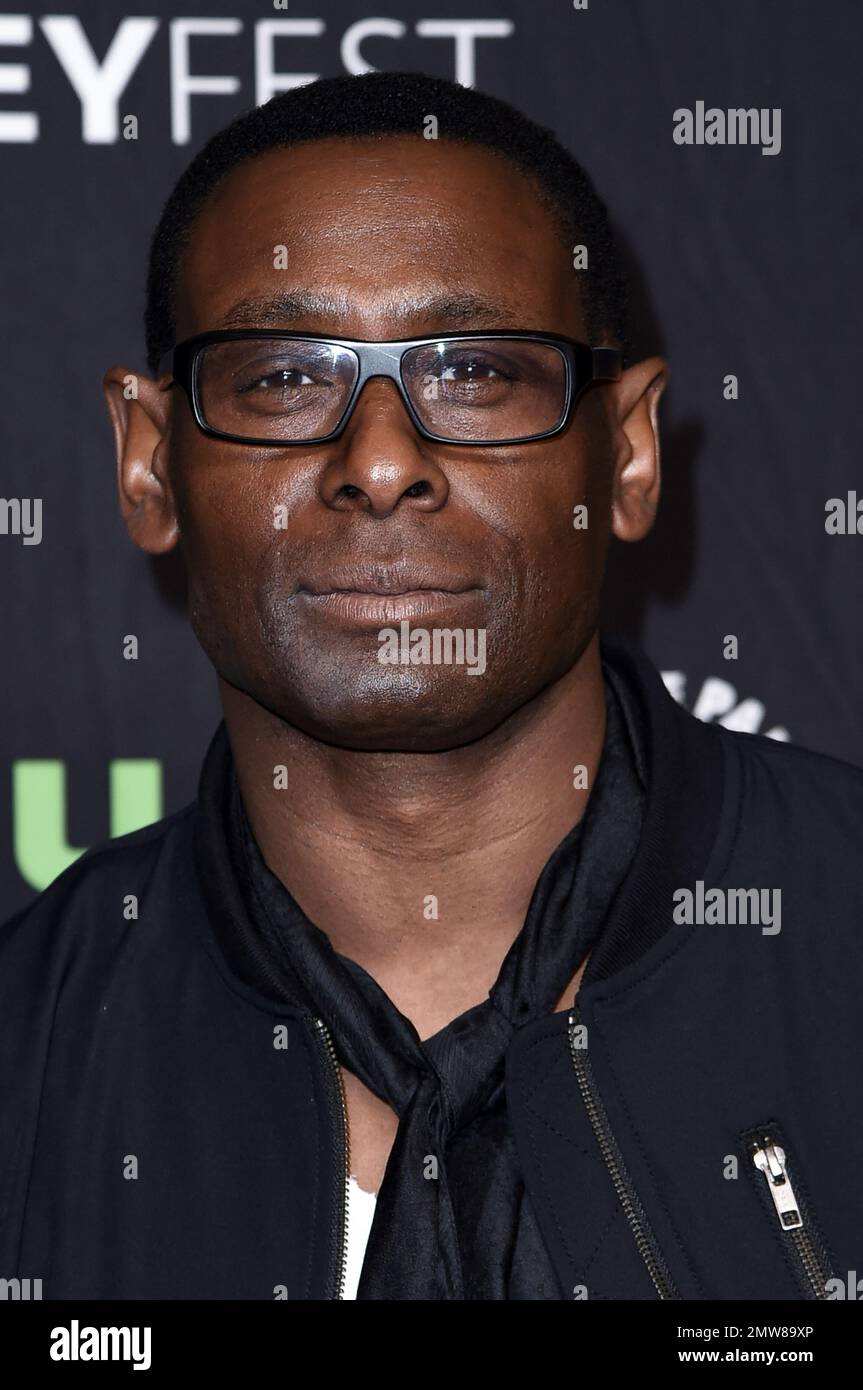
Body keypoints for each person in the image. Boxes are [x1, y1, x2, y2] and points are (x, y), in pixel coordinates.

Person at [1, 70, 861, 1302]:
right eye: (285, 375)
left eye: (474, 372)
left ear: (625, 453)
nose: (383, 458)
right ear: (148, 464)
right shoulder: (27, 1057)